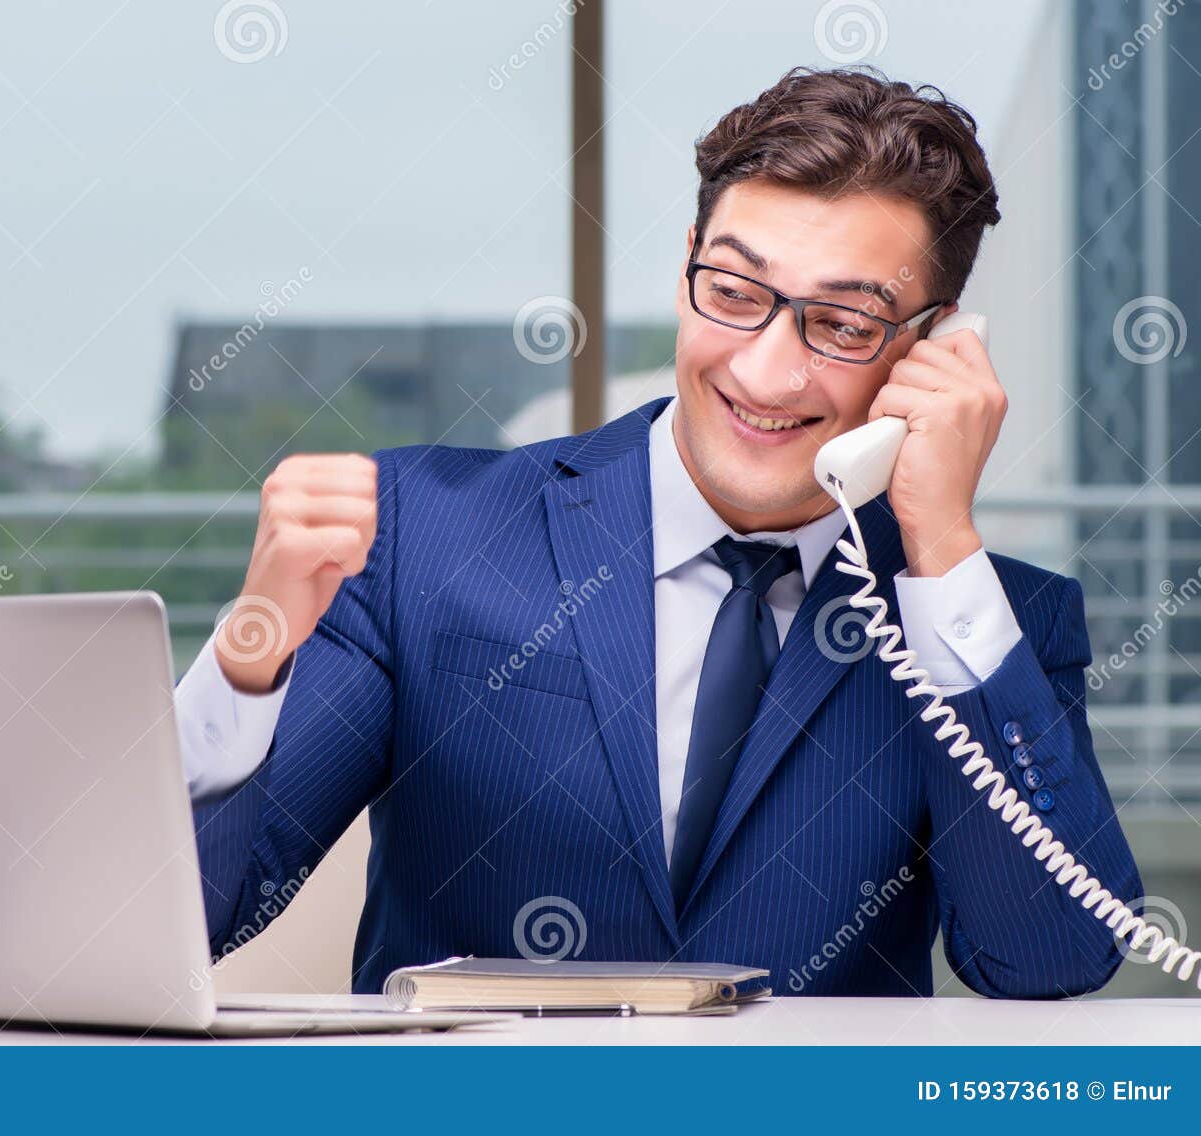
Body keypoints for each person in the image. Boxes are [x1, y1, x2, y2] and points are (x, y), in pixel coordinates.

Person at [174, 67, 1141, 998]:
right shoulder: (423, 532)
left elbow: (1047, 956)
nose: (765, 374)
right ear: (687, 265)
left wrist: (938, 553)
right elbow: (199, 912)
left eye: (844, 322)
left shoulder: (989, 614)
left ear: (930, 351)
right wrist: (252, 649)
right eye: (733, 291)